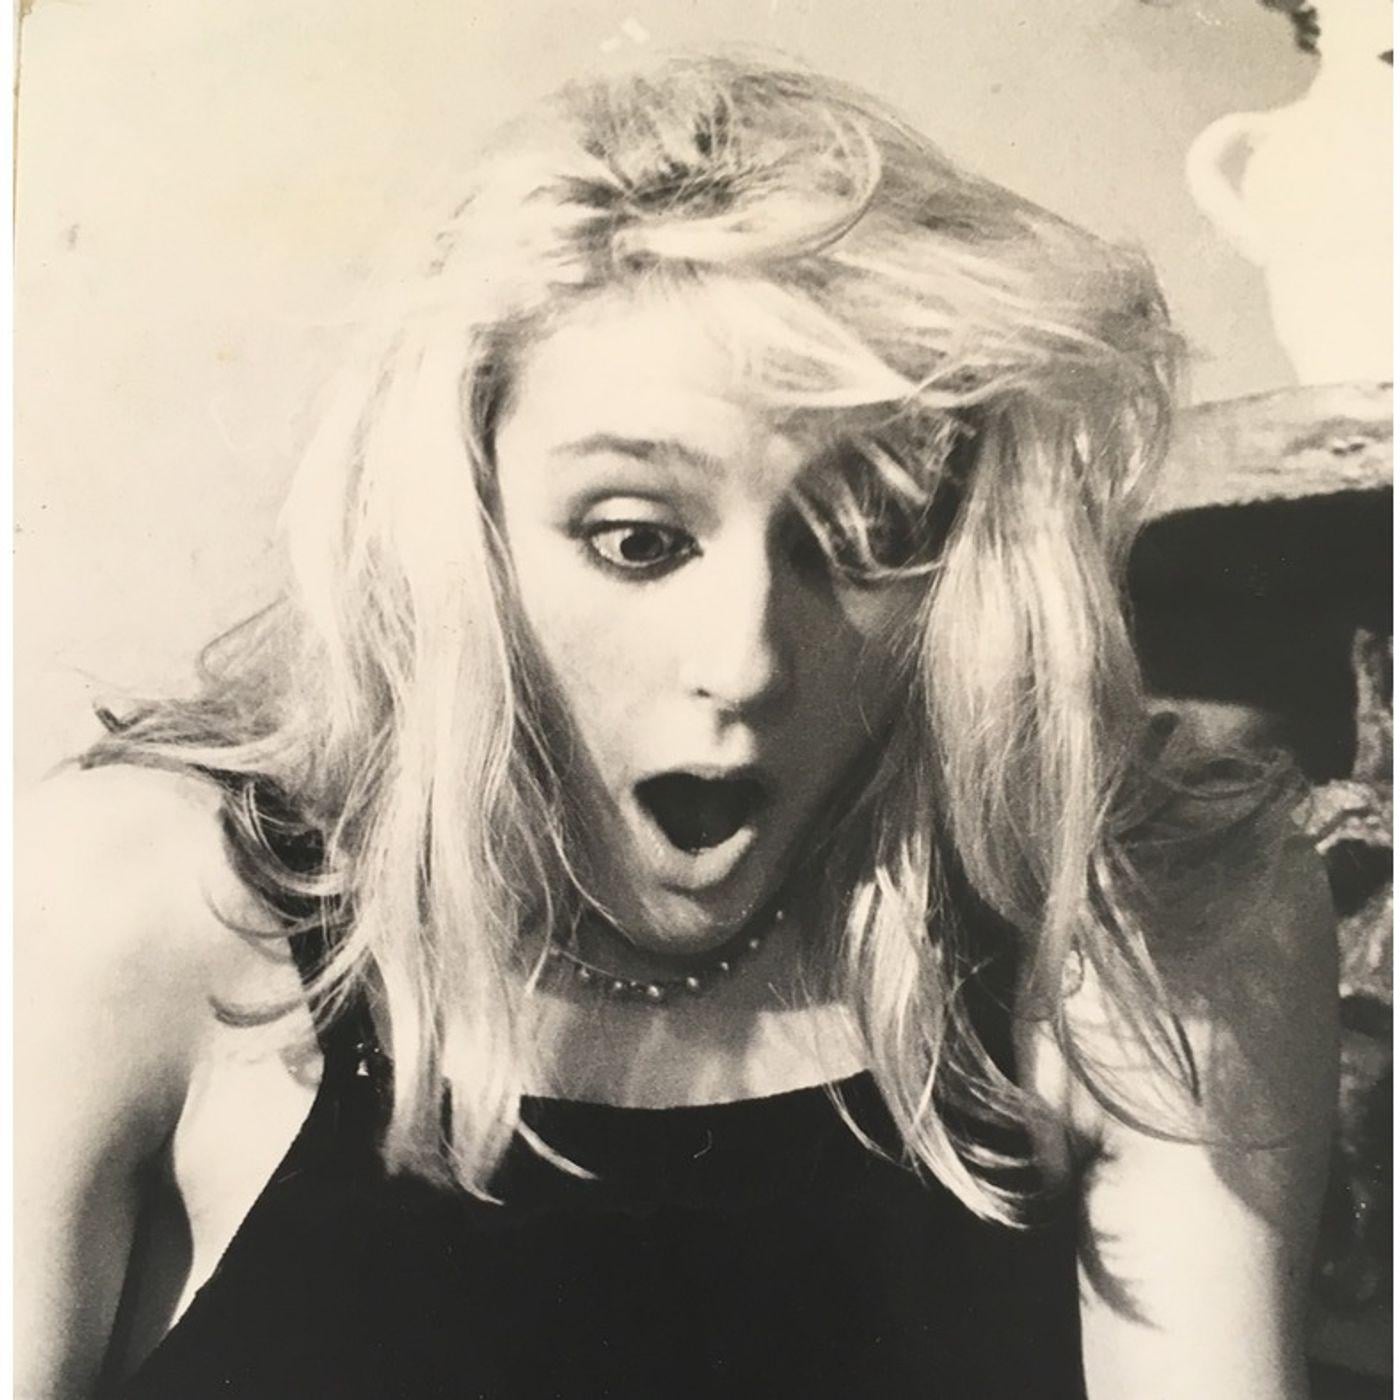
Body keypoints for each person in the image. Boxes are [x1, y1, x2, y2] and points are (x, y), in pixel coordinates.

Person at [16, 50, 1338, 1400]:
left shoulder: (1146, 926)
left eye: (864, 539)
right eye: (639, 541)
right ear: (463, 530)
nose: (747, 661)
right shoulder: (138, 910)